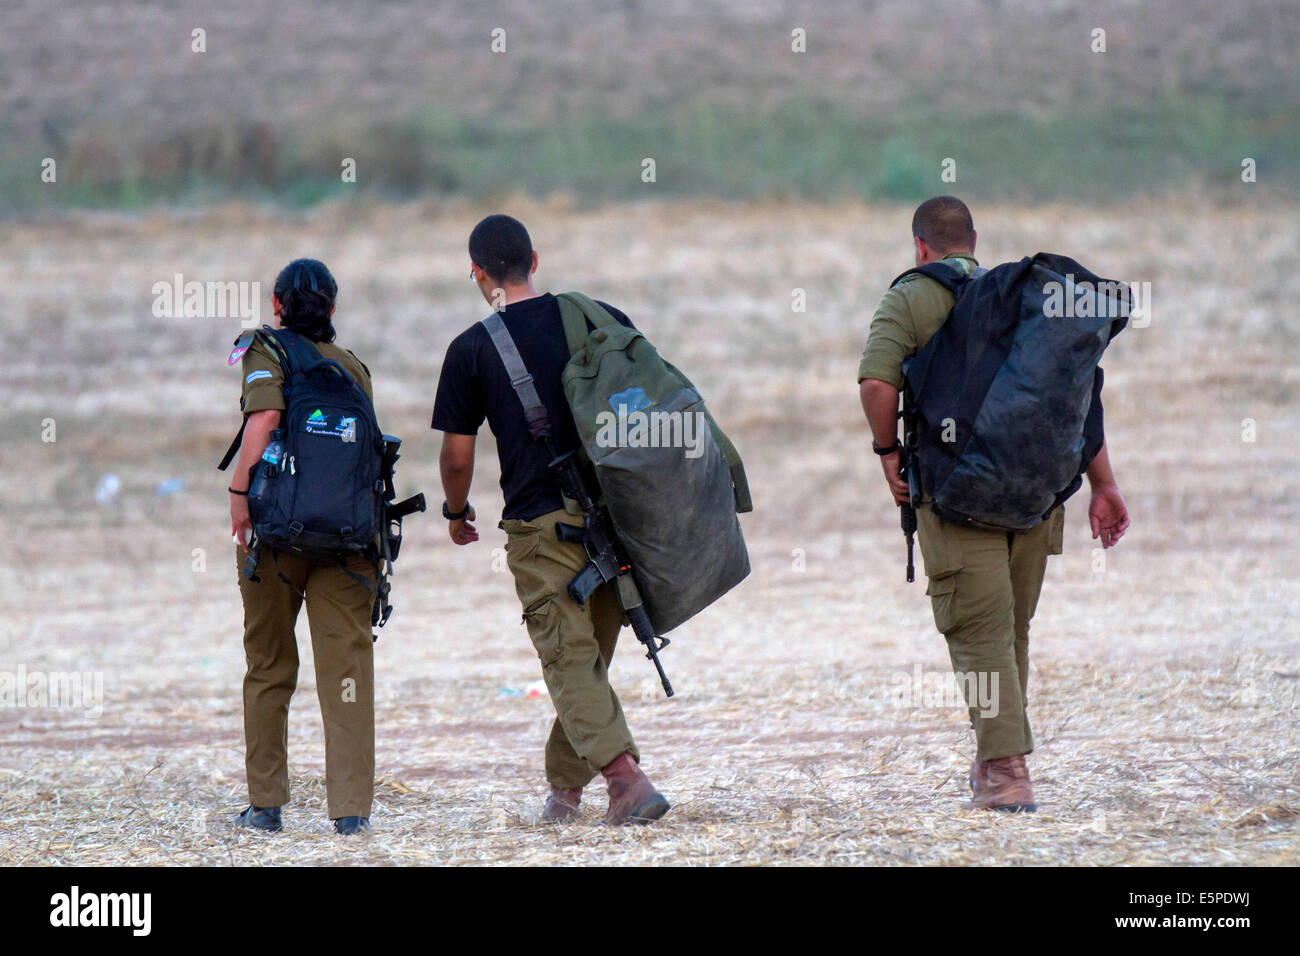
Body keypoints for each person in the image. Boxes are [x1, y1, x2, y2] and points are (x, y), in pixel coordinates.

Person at [857, 197, 1130, 812]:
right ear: (973, 240)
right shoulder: (1021, 304)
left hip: (957, 498)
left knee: (979, 634)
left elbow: (877, 383)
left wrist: (886, 452)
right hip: (1035, 496)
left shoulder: (912, 297)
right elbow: (1076, 399)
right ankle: (992, 762)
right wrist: (1105, 486)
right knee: (1008, 634)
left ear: (920, 246)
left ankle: (1009, 774)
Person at [430, 214, 670, 825]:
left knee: (569, 659)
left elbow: (457, 457)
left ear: (478, 275)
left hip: (541, 524)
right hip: (619, 516)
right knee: (585, 659)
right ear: (534, 260)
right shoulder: (600, 317)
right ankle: (565, 793)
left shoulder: (471, 349)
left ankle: (626, 781)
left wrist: (456, 513)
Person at [227, 258, 377, 836]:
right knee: (347, 674)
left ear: (276, 305)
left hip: (276, 535)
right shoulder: (353, 368)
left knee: (268, 665)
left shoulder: (263, 349)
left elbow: (265, 417)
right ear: (333, 310)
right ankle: (351, 816)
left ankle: (266, 806)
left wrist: (239, 492)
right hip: (346, 540)